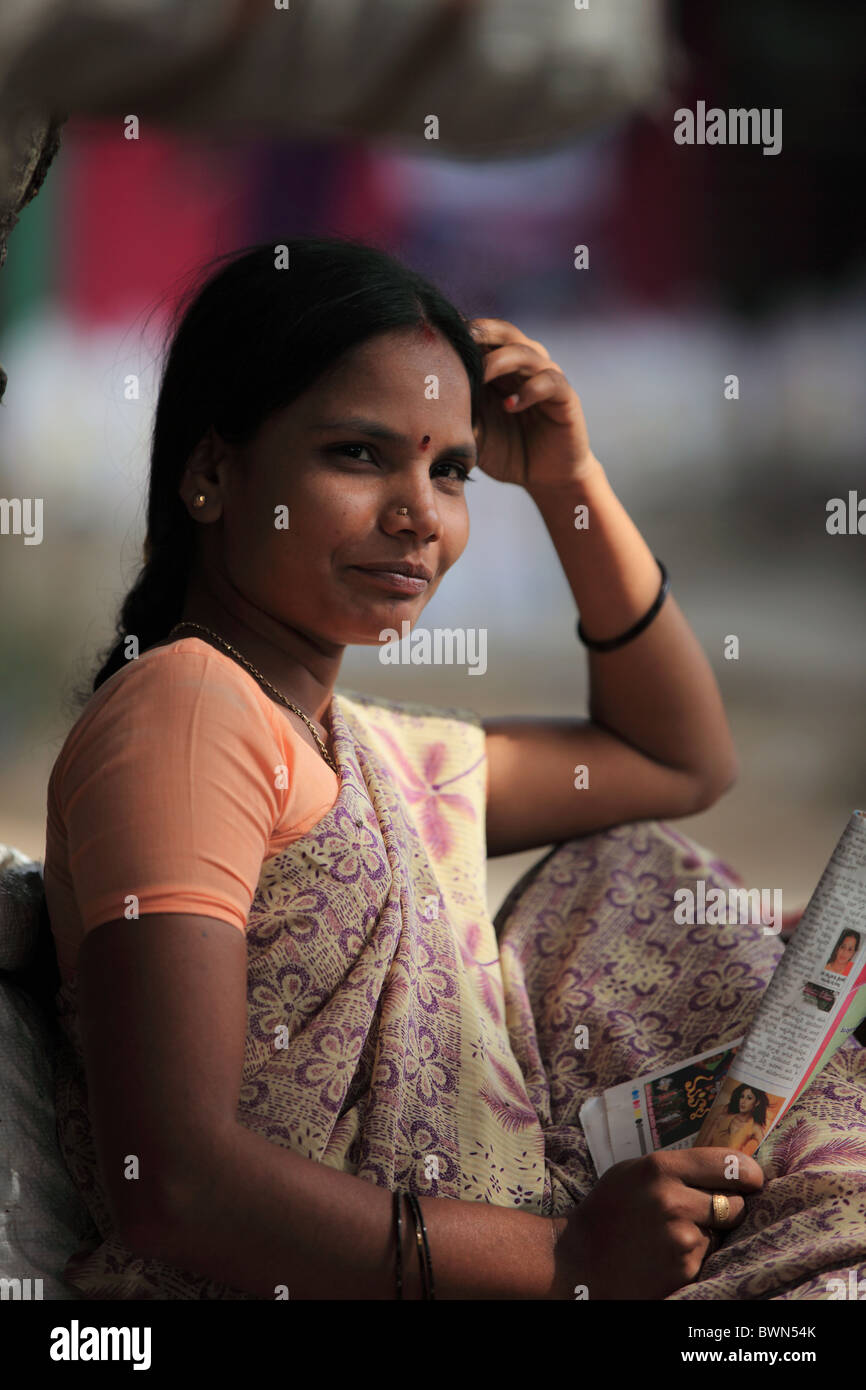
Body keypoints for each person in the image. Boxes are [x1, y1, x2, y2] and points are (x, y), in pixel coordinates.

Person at [43, 235, 769, 1300]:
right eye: (356, 454)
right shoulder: (189, 709)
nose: (418, 515)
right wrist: (566, 1262)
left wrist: (568, 479)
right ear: (211, 472)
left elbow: (674, 760)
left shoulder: (373, 755)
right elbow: (176, 1184)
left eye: (451, 470)